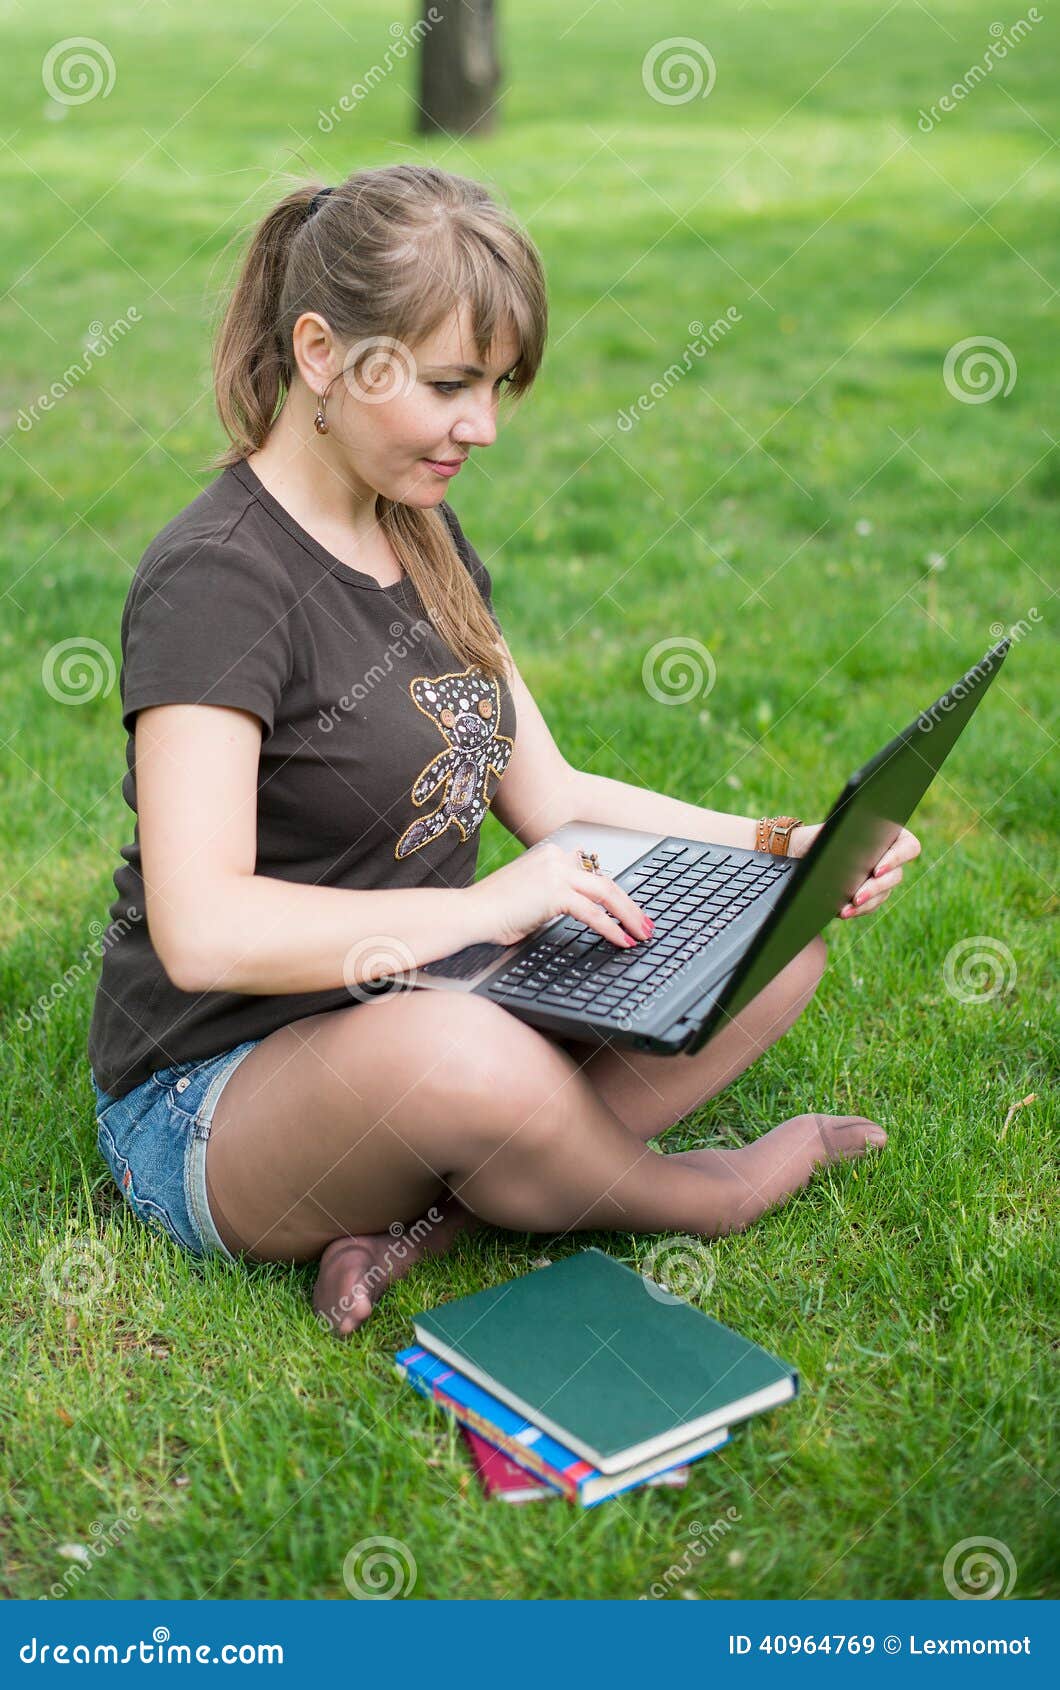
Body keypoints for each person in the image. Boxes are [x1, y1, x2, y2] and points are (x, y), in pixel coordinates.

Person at [87, 164, 920, 1337]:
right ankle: (702, 1191)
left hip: (430, 995)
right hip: (216, 1090)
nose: (480, 427)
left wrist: (785, 845)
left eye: (496, 387)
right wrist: (486, 910)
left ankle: (432, 1219)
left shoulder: (418, 529)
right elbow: (203, 925)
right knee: (465, 1056)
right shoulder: (218, 580)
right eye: (448, 386)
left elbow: (554, 792)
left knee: (773, 947)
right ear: (321, 353)